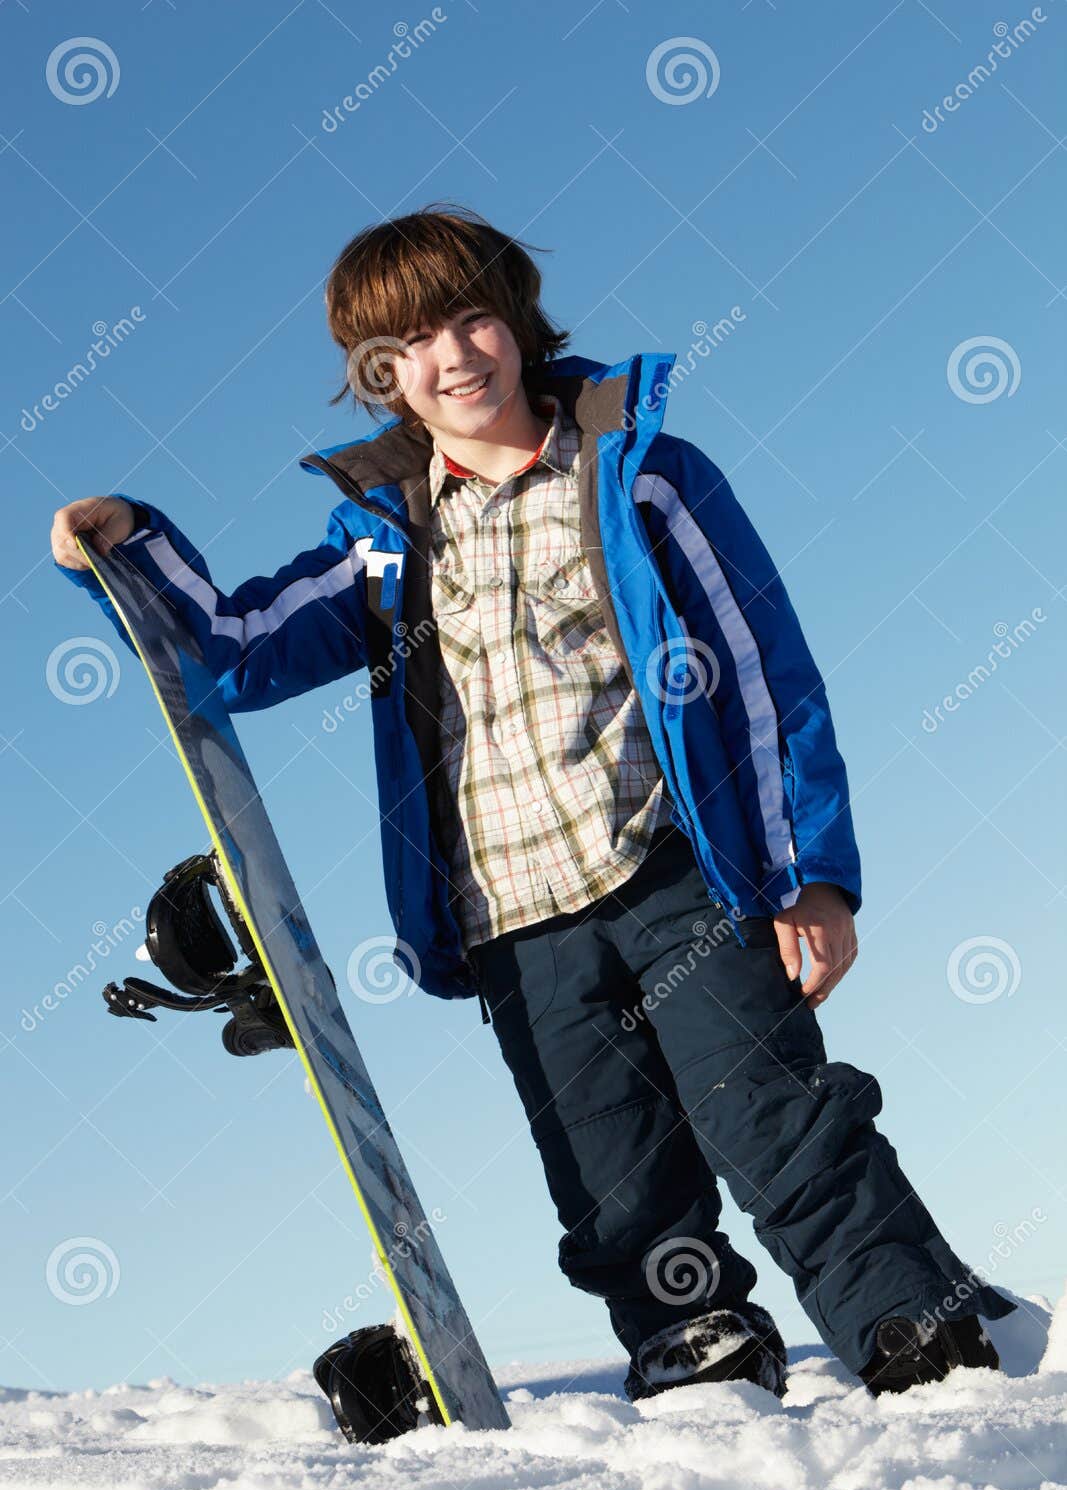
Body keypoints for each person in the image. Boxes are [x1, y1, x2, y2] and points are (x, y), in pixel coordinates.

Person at [51, 203, 1015, 1401]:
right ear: (381, 377)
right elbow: (234, 652)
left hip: (676, 877)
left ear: (516, 323)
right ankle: (697, 1342)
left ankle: (913, 1329)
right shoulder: (388, 543)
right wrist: (129, 544)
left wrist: (806, 872)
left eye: (471, 319)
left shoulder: (637, 478)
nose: (453, 357)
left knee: (772, 1115)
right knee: (609, 1170)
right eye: (410, 345)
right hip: (510, 920)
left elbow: (763, 671)